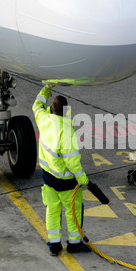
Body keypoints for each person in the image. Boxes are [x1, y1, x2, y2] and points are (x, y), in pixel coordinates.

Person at [32, 84, 91, 256]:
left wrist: (46, 89)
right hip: (66, 183)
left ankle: (54, 245)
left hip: (48, 178)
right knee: (73, 211)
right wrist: (83, 180)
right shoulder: (66, 131)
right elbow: (73, 162)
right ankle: (73, 244)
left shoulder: (43, 119)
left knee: (52, 210)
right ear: (66, 111)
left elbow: (36, 105)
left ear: (51, 108)